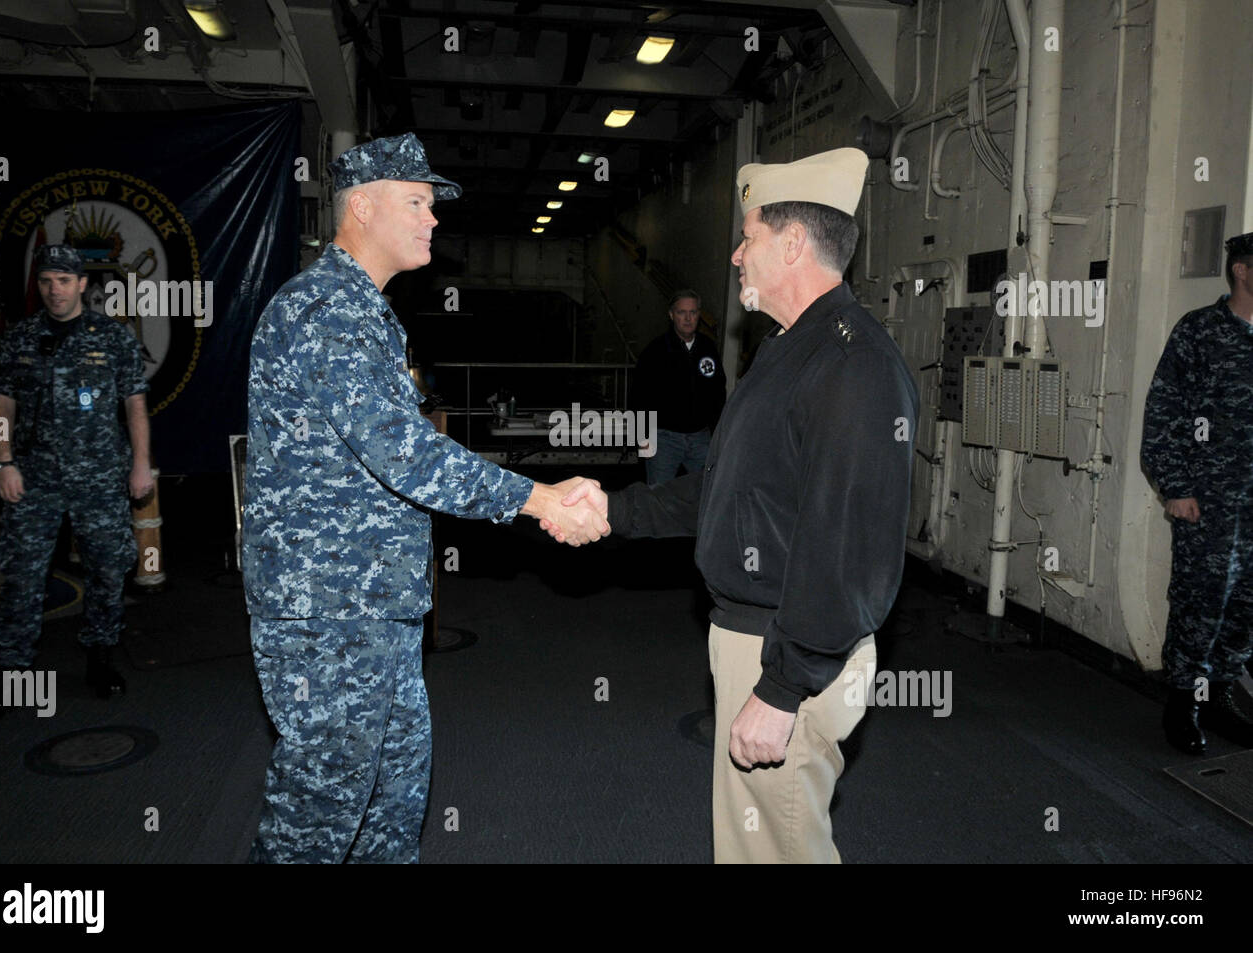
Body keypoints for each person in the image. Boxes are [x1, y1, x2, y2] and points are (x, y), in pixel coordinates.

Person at [243, 133, 609, 864]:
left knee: (392, 802)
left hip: (375, 606)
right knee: (317, 821)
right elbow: (404, 454)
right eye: (417, 202)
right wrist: (539, 499)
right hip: (329, 614)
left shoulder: (369, 313)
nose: (433, 219)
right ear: (364, 207)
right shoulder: (325, 311)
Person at [547, 147, 918, 863]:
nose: (737, 253)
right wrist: (615, 509)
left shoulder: (853, 367)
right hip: (759, 638)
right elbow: (727, 491)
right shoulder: (787, 352)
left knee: (775, 851)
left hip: (787, 648)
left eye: (749, 237)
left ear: (794, 243)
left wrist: (781, 687)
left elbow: (851, 555)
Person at [0, 243, 153, 722]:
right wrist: (3, 462)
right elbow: (1, 407)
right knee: (21, 576)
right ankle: (8, 674)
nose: (55, 290)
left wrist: (141, 465)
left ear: (81, 285)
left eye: (64, 281)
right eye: (46, 281)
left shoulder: (112, 338)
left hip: (99, 475)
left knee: (107, 569)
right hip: (33, 476)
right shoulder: (19, 338)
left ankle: (101, 655)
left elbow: (135, 406)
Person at [1142, 230, 1253, 754]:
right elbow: (1162, 414)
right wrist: (1177, 487)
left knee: (1246, 607)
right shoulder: (1200, 332)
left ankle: (1221, 696)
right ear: (1242, 271)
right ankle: (1182, 702)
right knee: (1200, 602)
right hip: (1208, 503)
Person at [633, 290, 726, 484]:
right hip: (664, 439)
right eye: (681, 312)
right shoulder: (656, 351)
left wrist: (717, 431)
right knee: (658, 497)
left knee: (707, 493)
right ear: (671, 315)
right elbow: (639, 397)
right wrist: (643, 439)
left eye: (692, 312)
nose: (687, 318)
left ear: (699, 315)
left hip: (701, 438)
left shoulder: (707, 348)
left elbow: (718, 391)